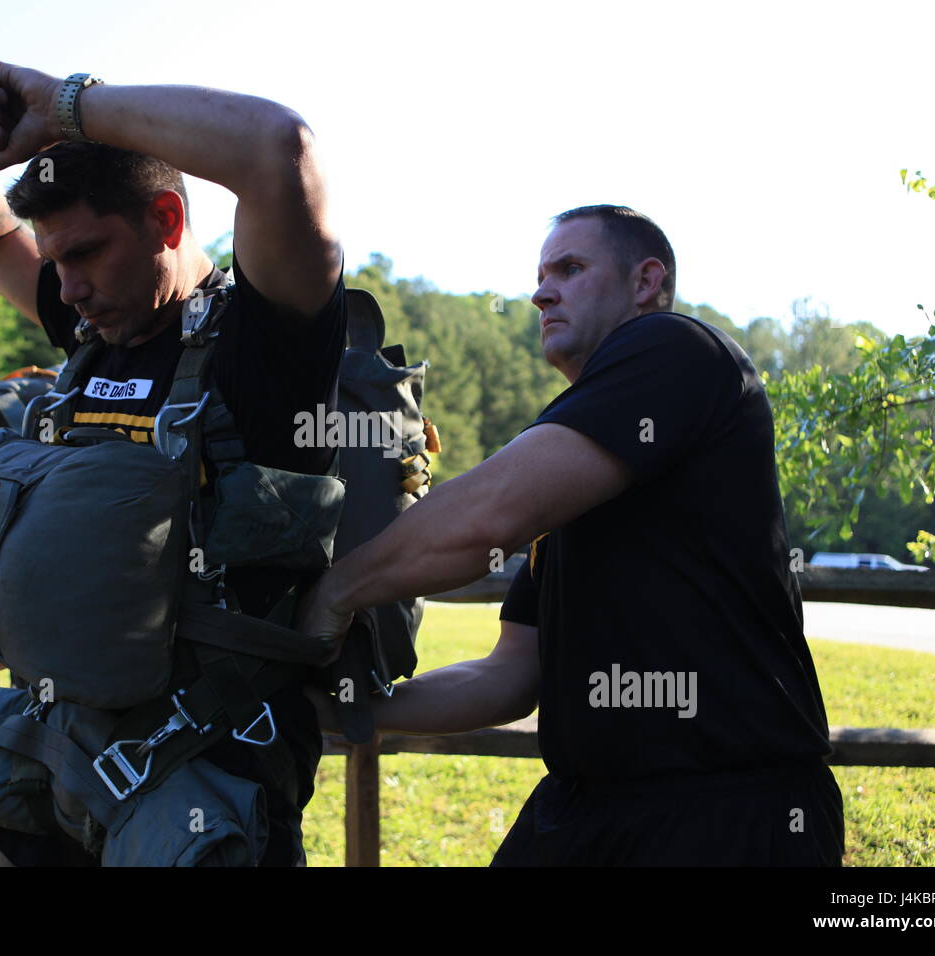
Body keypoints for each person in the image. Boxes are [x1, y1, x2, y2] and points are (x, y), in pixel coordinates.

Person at [299, 205, 844, 866]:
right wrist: (348, 711)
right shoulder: (583, 472)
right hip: (589, 808)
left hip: (729, 811)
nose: (539, 292)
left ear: (646, 282)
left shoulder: (678, 349)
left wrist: (335, 592)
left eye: (570, 269)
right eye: (539, 276)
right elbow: (510, 675)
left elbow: (489, 516)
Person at [0, 59, 345, 866]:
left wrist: (66, 106)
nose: (67, 287)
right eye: (53, 261)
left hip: (209, 768)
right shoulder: (96, 323)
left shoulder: (269, 342)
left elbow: (276, 146)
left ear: (166, 218)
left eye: (85, 253)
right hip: (63, 745)